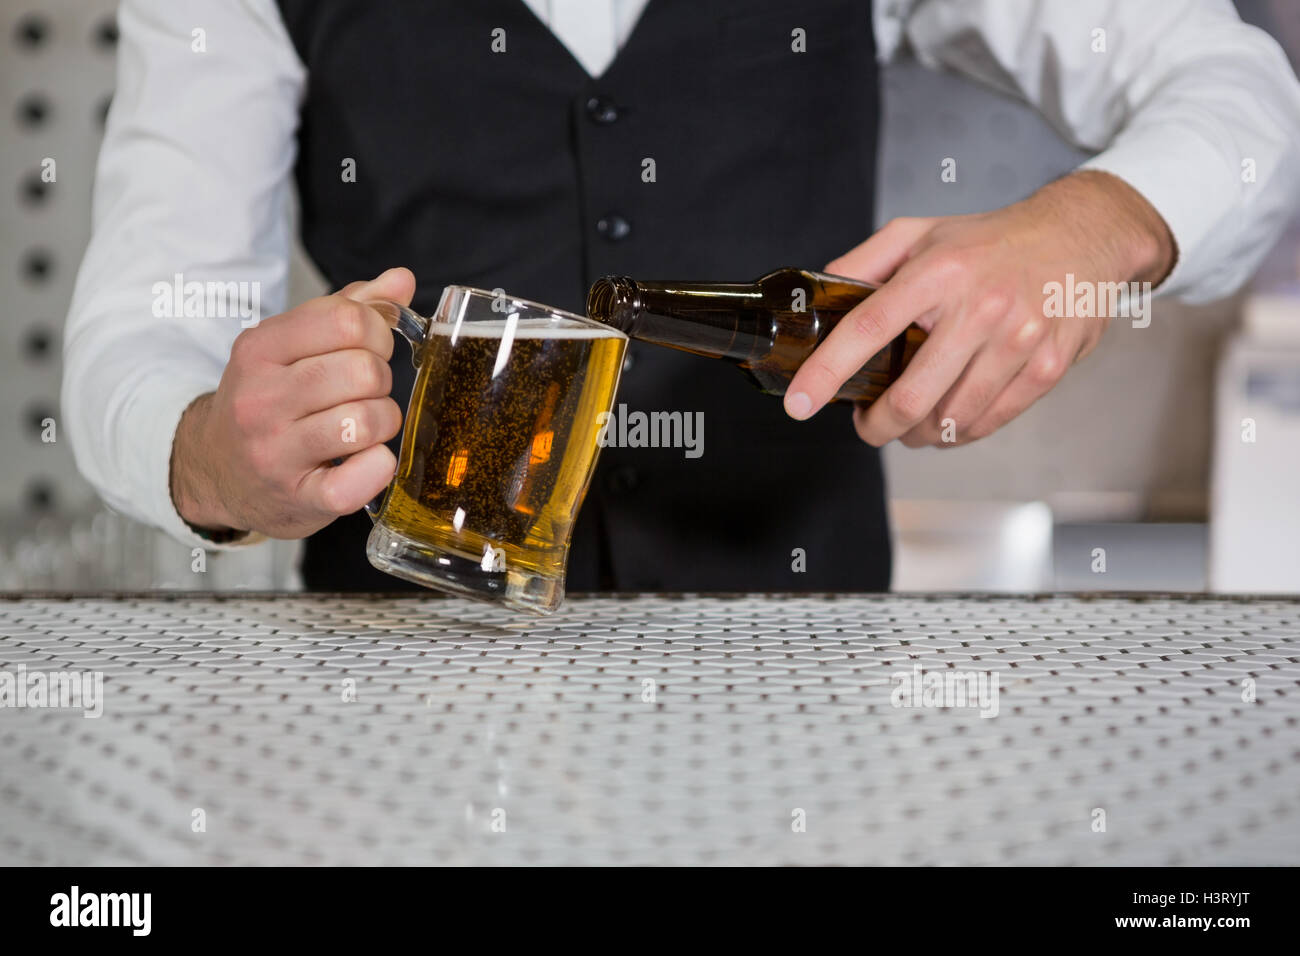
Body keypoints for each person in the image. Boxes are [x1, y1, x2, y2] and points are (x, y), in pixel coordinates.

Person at [63, 0, 1300, 592]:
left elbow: (1238, 90)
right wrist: (207, 456)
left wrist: (1088, 225)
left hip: (804, 676)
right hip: (395, 681)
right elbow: (142, 319)